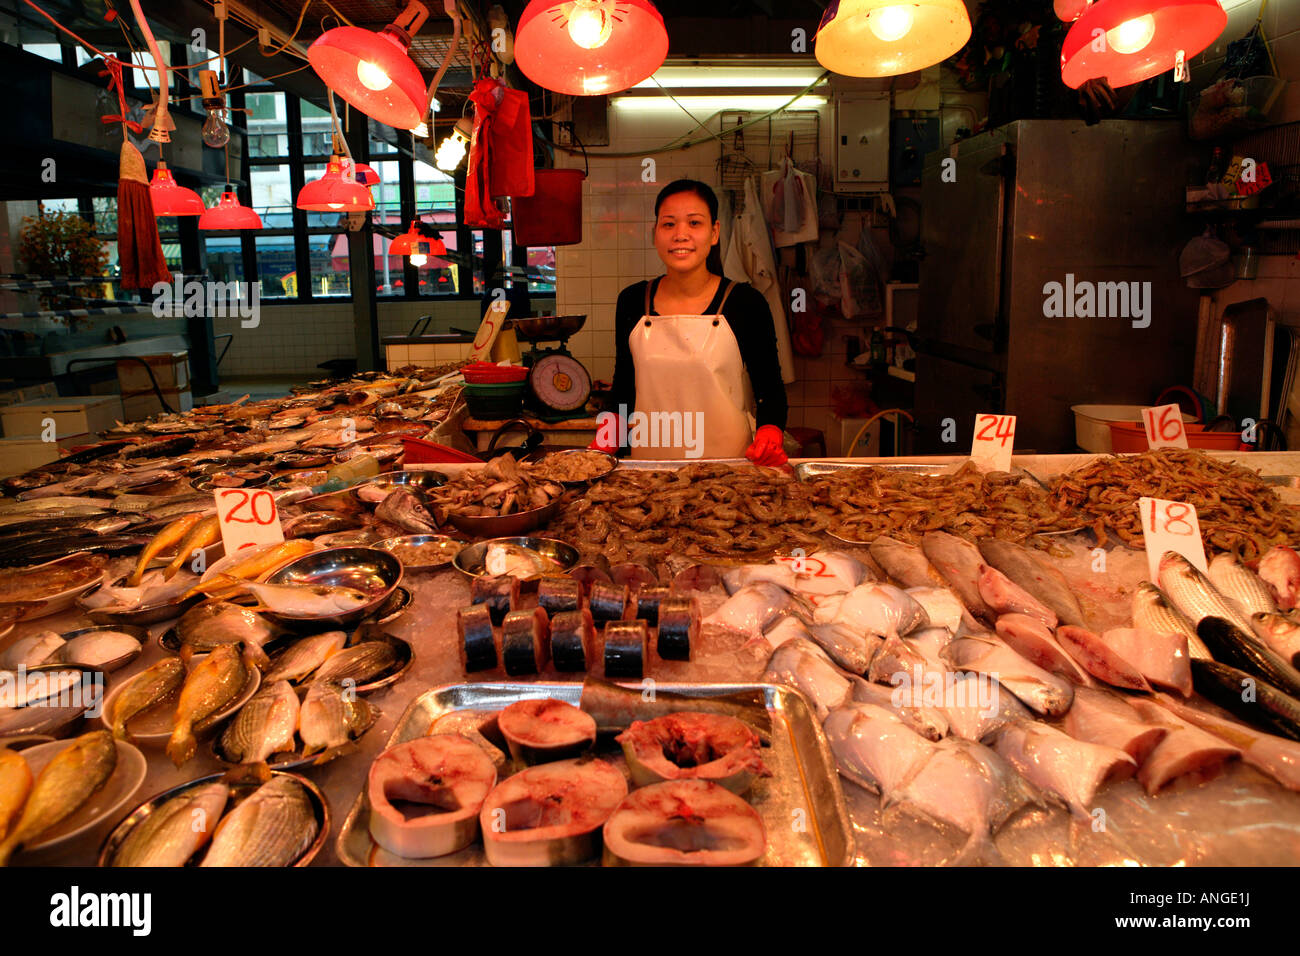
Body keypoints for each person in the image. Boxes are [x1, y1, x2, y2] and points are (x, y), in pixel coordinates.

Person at [591, 179, 788, 465]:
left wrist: (770, 432)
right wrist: (604, 442)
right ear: (654, 234)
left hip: (728, 472)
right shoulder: (633, 301)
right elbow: (624, 387)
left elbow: (770, 390)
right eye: (668, 224)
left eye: (694, 223)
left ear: (714, 233)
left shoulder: (746, 303)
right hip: (650, 470)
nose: (680, 235)